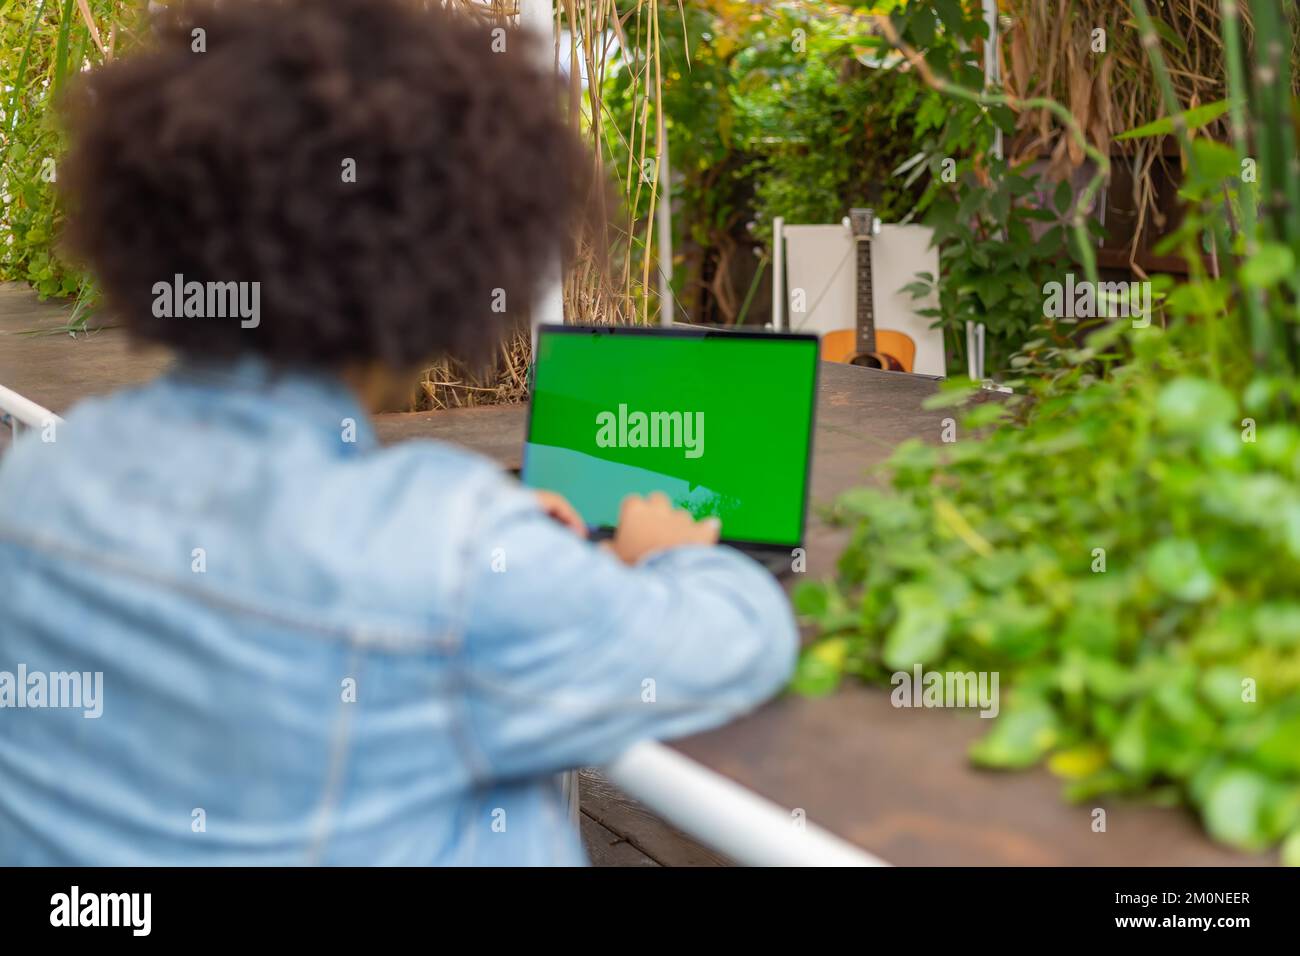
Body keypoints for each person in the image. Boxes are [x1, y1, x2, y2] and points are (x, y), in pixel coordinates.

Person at [0, 0, 796, 865]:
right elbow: (738, 640)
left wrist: (512, 552)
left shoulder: (37, 478)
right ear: (445, 269)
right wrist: (663, 553)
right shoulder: (446, 555)